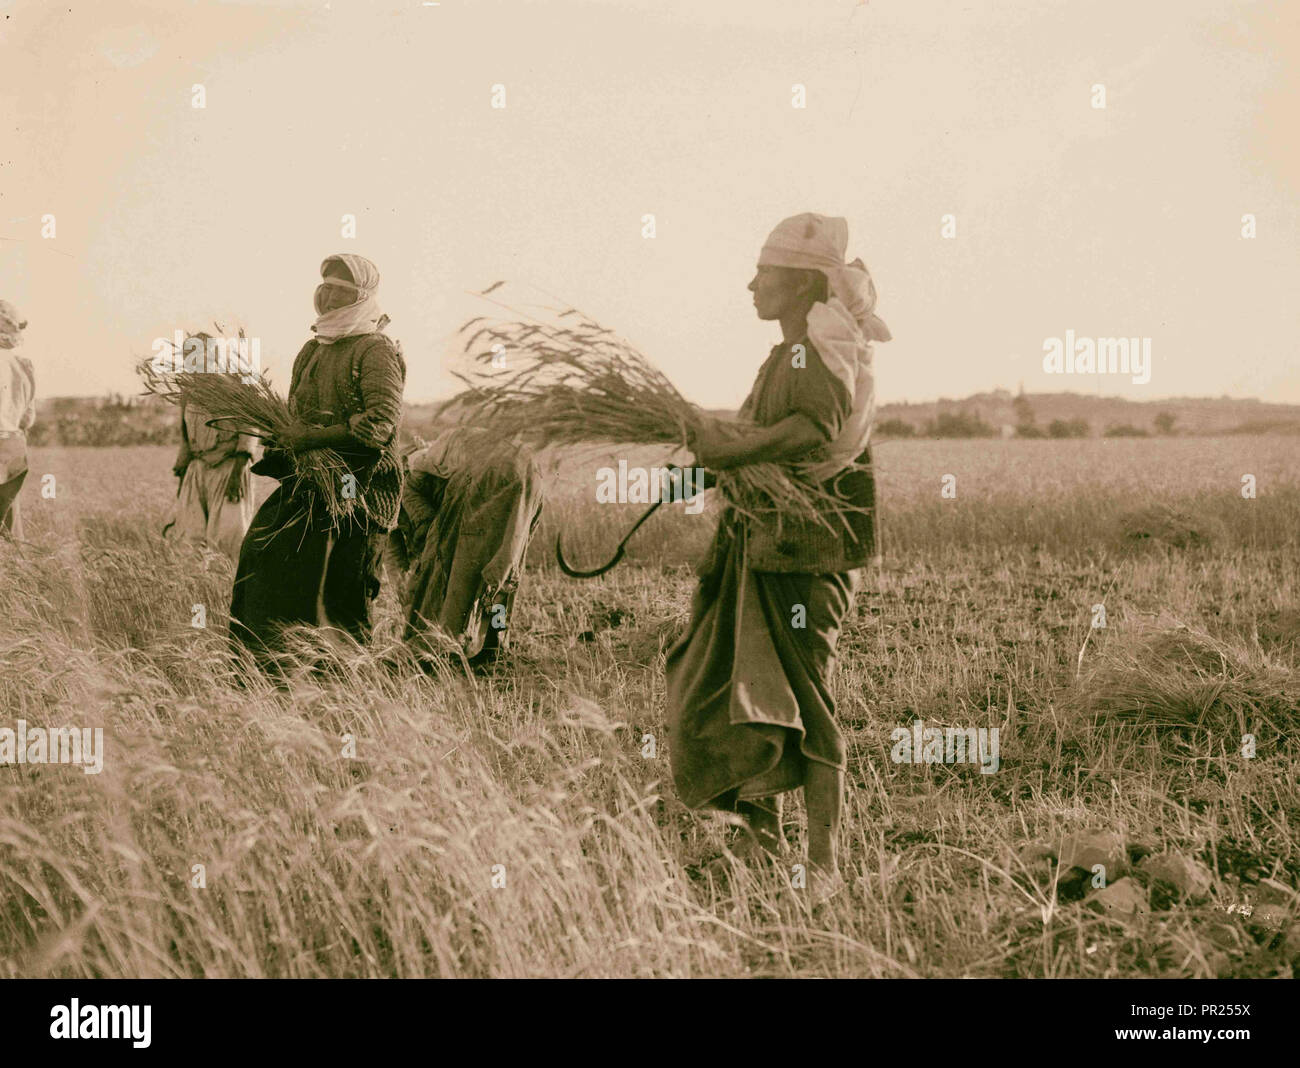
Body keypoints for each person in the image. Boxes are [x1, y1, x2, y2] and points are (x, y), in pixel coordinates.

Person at [666, 213, 890, 901]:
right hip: (762, 547)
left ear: (797, 283)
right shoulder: (788, 354)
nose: (749, 286)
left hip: (803, 555)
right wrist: (706, 465)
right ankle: (764, 847)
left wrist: (729, 452)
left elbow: (809, 430)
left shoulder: (815, 352)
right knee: (725, 692)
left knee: (809, 707)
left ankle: (821, 867)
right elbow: (766, 434)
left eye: (762, 274)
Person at [229, 254, 405, 668]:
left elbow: (379, 426)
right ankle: (271, 675)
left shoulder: (375, 350)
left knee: (338, 592)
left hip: (358, 491)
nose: (328, 298)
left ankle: (346, 692)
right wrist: (286, 435)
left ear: (361, 297)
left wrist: (310, 436)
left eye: (340, 291)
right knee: (264, 562)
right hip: (308, 484)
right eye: (324, 289)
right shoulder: (312, 349)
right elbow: (295, 416)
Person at [389, 412, 543, 671]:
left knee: (457, 574)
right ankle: (495, 645)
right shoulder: (439, 453)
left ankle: (443, 649)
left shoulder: (407, 484)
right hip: (529, 470)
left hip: (485, 476)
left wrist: (412, 583)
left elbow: (422, 536)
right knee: (506, 566)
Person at [161, 334, 259, 559]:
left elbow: (249, 431)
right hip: (198, 470)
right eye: (188, 357)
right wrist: (183, 473)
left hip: (229, 470)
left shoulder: (237, 386)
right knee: (189, 538)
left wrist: (237, 473)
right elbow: (186, 436)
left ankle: (225, 588)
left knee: (228, 538)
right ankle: (198, 591)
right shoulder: (188, 392)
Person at [0, 300, 35, 541]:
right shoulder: (23, 366)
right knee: (10, 525)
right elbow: (28, 419)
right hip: (14, 448)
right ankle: (17, 575)